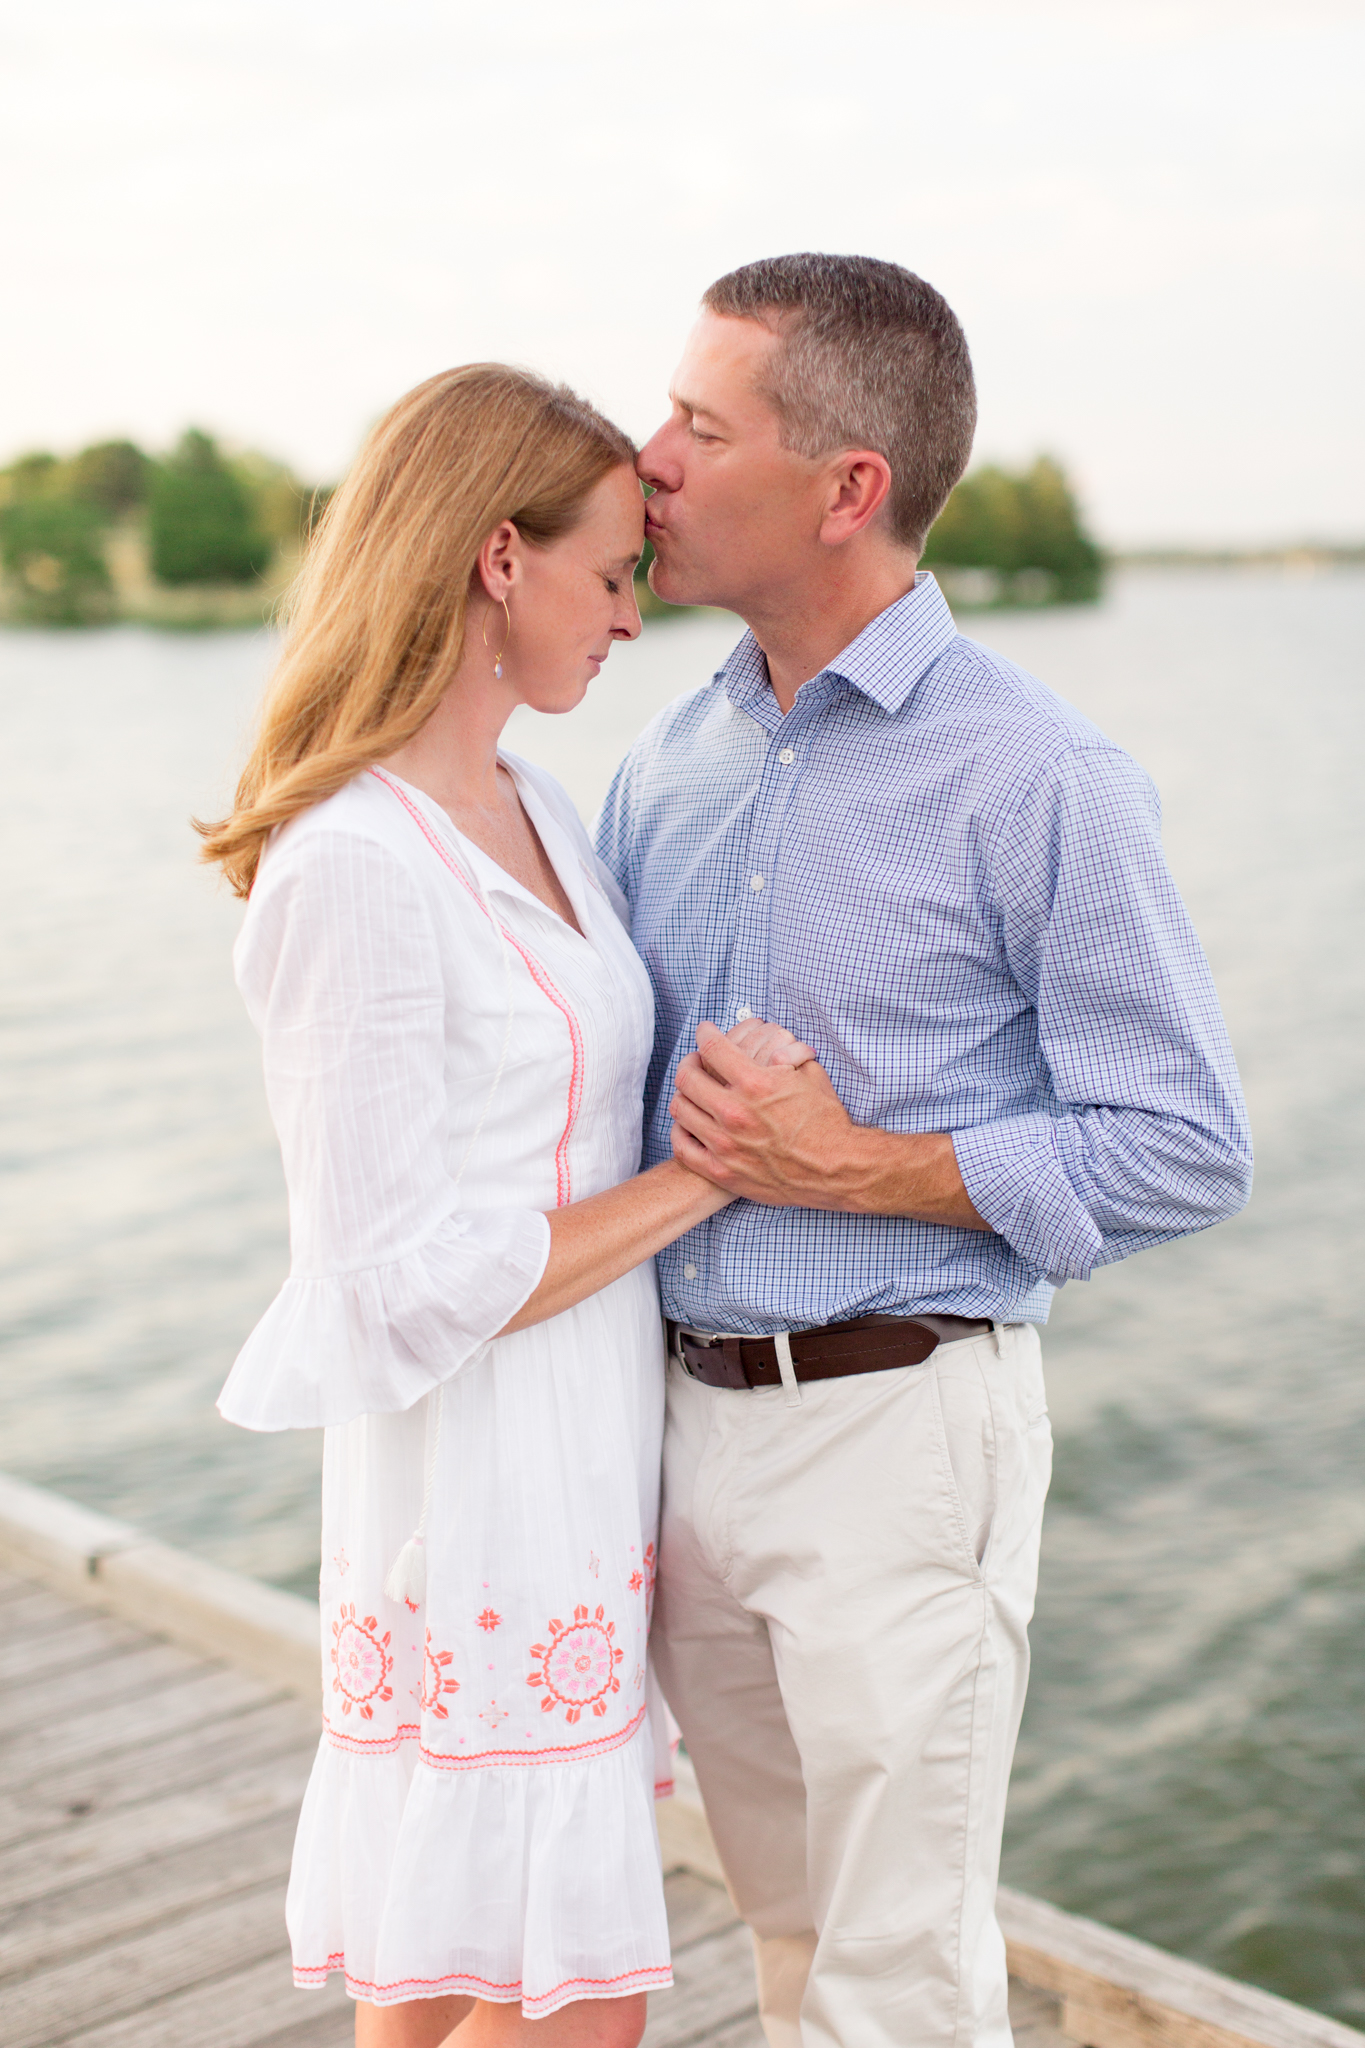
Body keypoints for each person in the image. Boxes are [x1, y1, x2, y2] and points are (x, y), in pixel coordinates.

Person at [595, 254, 1253, 2048]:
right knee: (784, 1930)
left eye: (698, 425)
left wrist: (861, 1163)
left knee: (898, 1973)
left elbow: (1185, 1144)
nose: (646, 456)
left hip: (899, 1438)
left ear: (844, 487)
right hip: (676, 1425)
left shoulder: (1039, 777)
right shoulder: (663, 766)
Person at [199, 365, 757, 2048]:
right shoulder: (352, 866)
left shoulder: (547, 818)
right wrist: (707, 1178)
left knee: (446, 1973)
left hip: (587, 1467)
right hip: (479, 1486)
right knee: (554, 2002)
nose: (632, 617)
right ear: (496, 560)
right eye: (612, 572)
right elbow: (384, 1282)